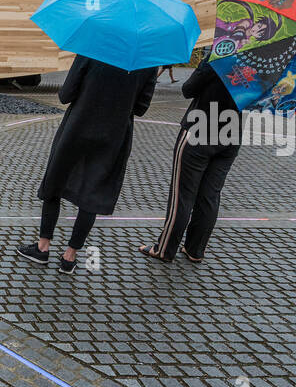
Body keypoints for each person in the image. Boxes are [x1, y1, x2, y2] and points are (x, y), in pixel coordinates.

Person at [19, 55, 157, 274]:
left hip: (78, 126)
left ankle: (43, 247)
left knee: (55, 182)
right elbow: (140, 107)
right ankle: (69, 257)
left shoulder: (92, 48)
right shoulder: (147, 60)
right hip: (114, 135)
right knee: (92, 193)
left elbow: (65, 95)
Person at [141, 59, 242, 263]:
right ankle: (195, 249)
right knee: (210, 196)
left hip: (199, 130)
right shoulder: (262, 63)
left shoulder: (221, 55)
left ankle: (165, 248)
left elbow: (188, 89)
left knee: (182, 194)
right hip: (231, 134)